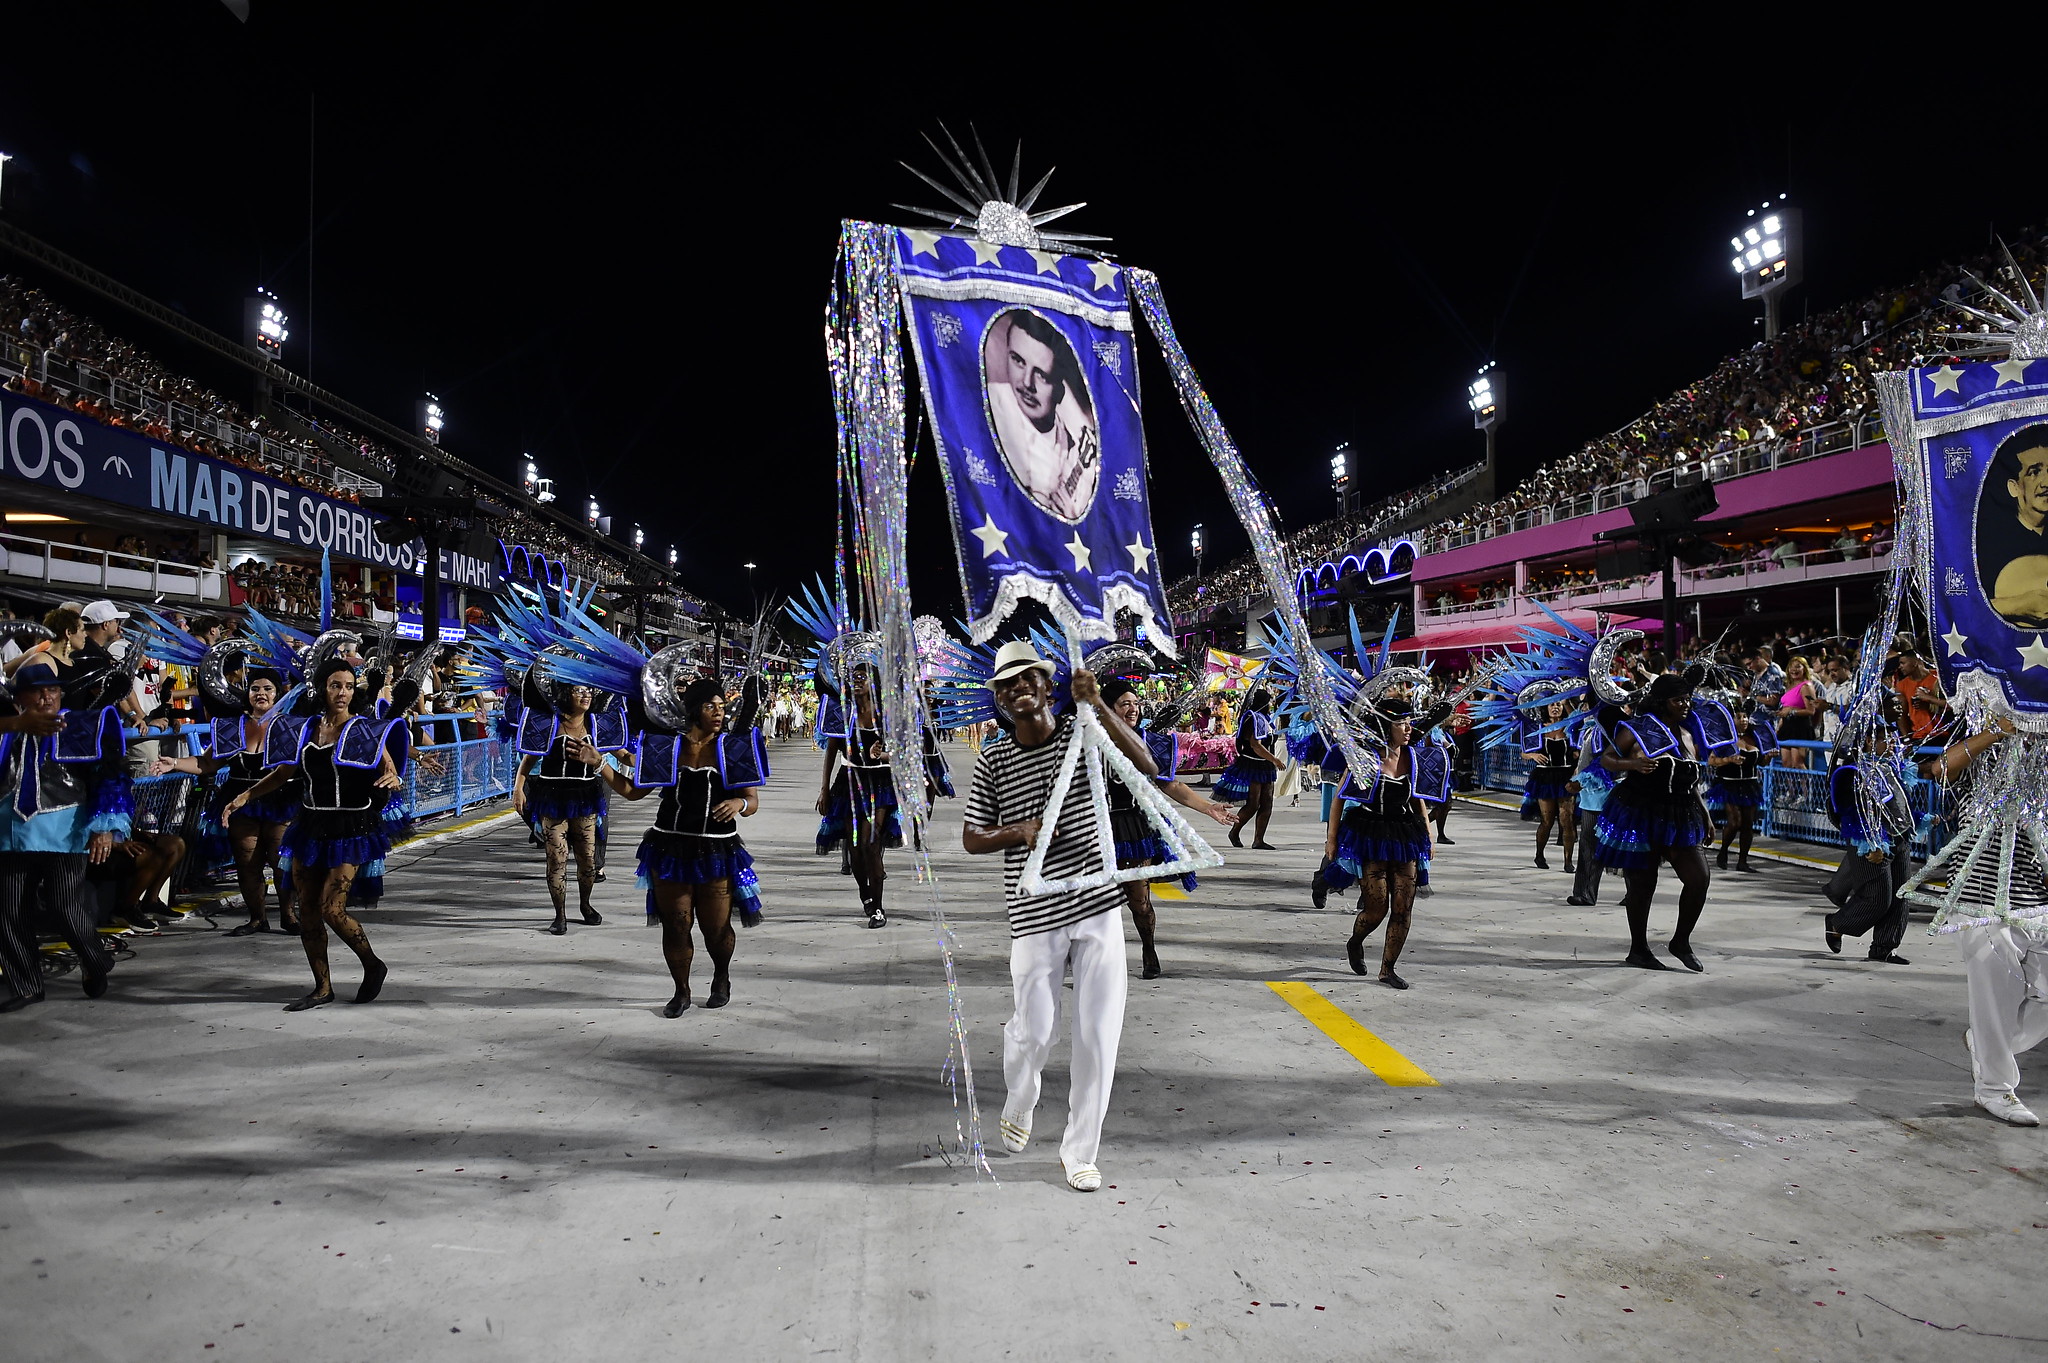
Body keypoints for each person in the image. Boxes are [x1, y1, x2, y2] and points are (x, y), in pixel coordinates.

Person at [963, 642, 1156, 1193]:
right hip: (1035, 910)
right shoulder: (994, 758)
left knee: (1098, 1036)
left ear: (1049, 687)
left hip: (1097, 904)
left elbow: (1145, 767)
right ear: (1000, 701)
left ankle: (1080, 1151)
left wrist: (1099, 705)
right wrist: (1017, 831)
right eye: (1007, 684)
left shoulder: (1084, 732)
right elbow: (973, 836)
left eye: (1029, 677)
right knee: (1034, 1033)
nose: (1019, 687)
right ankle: (1021, 1096)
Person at [225, 659, 405, 1011]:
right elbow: (283, 773)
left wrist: (394, 778)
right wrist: (247, 795)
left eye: (349, 686)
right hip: (310, 827)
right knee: (306, 911)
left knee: (332, 909)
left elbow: (390, 767)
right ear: (322, 687)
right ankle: (322, 988)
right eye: (336, 685)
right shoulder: (304, 729)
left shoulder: (363, 729)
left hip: (351, 828)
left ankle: (372, 964)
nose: (343, 693)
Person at [597, 677, 763, 1017]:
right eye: (710, 706)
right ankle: (681, 991)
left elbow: (752, 802)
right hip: (669, 847)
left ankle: (721, 976)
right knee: (676, 924)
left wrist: (738, 804)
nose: (718, 713)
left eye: (721, 706)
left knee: (715, 929)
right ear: (693, 710)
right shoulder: (666, 747)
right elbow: (633, 791)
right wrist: (598, 763)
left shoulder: (733, 747)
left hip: (717, 850)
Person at [1915, 718, 2047, 1124]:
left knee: (2024, 1006)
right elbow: (1940, 768)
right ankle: (1995, 1088)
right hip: (1978, 899)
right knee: (1995, 994)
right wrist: (1999, 730)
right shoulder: (1984, 757)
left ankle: (1988, 1042)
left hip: (2036, 901)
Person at [0, 658, 130, 1011]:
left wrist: (104, 826)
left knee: (64, 905)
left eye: (53, 690)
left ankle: (95, 958)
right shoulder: (7, 730)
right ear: (19, 698)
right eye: (37, 692)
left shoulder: (83, 725)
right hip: (10, 832)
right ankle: (26, 986)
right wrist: (14, 724)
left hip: (65, 829)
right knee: (9, 910)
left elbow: (112, 775)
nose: (47, 697)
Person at [1100, 678, 1234, 979]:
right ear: (1108, 709)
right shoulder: (1089, 741)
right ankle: (1096, 962)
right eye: (1125, 704)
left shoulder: (1149, 741)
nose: (1133, 709)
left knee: (1139, 902)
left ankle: (1148, 947)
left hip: (1133, 828)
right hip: (1095, 827)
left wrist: (1208, 807)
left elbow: (1171, 785)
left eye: (1136, 703)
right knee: (1095, 904)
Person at [150, 668, 300, 936]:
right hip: (239, 801)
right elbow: (207, 763)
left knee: (281, 862)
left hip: (280, 799)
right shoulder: (232, 726)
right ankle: (257, 918)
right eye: (255, 689)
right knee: (247, 861)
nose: (261, 694)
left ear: (278, 693)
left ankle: (289, 916)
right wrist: (174, 763)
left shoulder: (291, 726)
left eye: (268, 689)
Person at [1595, 669, 1717, 972]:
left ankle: (1681, 942)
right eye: (1678, 700)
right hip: (1640, 811)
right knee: (1642, 884)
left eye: (1687, 699)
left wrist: (1705, 814)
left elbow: (1690, 780)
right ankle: (1638, 949)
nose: (1685, 705)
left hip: (1681, 813)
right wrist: (1632, 763)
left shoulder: (1688, 734)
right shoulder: (1639, 728)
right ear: (1662, 701)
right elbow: (1607, 759)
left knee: (1699, 879)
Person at [1316, 696, 1440, 989]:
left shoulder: (1414, 757)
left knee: (1403, 908)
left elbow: (1418, 799)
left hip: (1405, 835)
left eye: (1409, 722)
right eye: (1400, 723)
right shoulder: (1366, 759)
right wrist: (1331, 840)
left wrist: (1429, 835)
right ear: (1386, 727)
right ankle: (1355, 942)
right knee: (1376, 909)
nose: (1408, 729)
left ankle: (1387, 969)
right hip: (1371, 835)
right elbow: (1339, 800)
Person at [510, 684, 619, 936]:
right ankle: (559, 914)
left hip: (585, 797)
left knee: (587, 859)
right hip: (552, 797)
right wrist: (518, 789)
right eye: (579, 690)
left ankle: (585, 904)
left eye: (589, 691)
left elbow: (623, 754)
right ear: (565, 694)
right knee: (556, 858)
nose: (586, 695)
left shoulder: (597, 724)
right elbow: (528, 759)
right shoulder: (548, 723)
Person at [985, 309, 1101, 522]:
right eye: (1018, 361)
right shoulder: (991, 408)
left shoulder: (1074, 430)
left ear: (1060, 387)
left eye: (1042, 375)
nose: (1026, 383)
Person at [1821, 707, 1915, 966]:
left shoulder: (1888, 767)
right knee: (1878, 898)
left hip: (1898, 838)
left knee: (1900, 897)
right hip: (1870, 842)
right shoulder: (1852, 772)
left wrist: (1919, 819)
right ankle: (1837, 923)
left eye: (1893, 737)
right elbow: (1851, 815)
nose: (1893, 742)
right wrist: (1872, 843)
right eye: (1886, 738)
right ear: (1868, 740)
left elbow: (1898, 805)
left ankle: (1884, 947)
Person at [815, 662, 901, 929]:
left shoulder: (886, 715)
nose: (857, 681)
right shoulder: (842, 713)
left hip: (879, 784)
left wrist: (882, 755)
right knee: (854, 849)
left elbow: (904, 753)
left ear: (874, 683)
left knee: (870, 845)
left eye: (862, 677)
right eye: (854, 677)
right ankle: (866, 895)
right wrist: (824, 789)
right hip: (849, 782)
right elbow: (831, 751)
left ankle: (878, 909)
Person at [1977, 428, 2048, 625]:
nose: (2046, 483)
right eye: (2034, 472)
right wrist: (2016, 606)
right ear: (2014, 487)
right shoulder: (1989, 542)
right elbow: (1964, 606)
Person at [1707, 710, 1772, 873]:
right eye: (1739, 717)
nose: (1743, 720)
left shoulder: (1755, 738)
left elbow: (1762, 763)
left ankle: (1742, 861)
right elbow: (1711, 761)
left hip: (1750, 785)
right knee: (1735, 822)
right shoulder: (1725, 739)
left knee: (1748, 824)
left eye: (1745, 716)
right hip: (1730, 785)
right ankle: (1723, 851)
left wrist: (1770, 756)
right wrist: (1729, 759)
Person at [1215, 688, 1279, 849]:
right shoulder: (1252, 718)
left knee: (1267, 802)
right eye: (1269, 702)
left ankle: (1259, 840)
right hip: (1252, 763)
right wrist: (1274, 759)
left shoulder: (1266, 718)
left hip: (1266, 765)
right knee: (1253, 804)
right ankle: (1234, 832)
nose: (1270, 705)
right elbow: (1255, 745)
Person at [1522, 698, 1576, 871]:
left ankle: (1568, 862)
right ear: (1546, 707)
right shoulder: (1537, 728)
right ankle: (1539, 855)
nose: (1555, 708)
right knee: (1547, 821)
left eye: (1558, 704)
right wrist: (1533, 756)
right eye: (1552, 704)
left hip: (1566, 776)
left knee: (1567, 820)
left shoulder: (1570, 726)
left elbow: (1579, 747)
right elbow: (1524, 753)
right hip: (1544, 778)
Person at [1565, 718, 1612, 907]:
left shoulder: (1613, 728)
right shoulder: (1590, 728)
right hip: (1592, 798)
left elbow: (1603, 762)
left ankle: (1634, 892)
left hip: (1612, 796)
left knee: (1623, 846)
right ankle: (1584, 893)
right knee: (1588, 846)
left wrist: (1581, 781)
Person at [1890, 648, 1947, 745]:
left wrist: (1928, 699)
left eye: (1903, 663)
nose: (1900, 667)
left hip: (1944, 733)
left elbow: (1953, 704)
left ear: (1915, 662)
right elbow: (1902, 714)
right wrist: (1906, 738)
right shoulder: (1901, 685)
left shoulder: (1939, 677)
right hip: (1919, 736)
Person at [1774, 657, 1818, 770]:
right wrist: (1779, 727)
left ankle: (1806, 783)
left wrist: (1792, 711)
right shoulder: (1789, 687)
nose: (1794, 670)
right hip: (1787, 727)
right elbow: (1785, 709)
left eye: (1798, 666)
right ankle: (1790, 783)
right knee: (1786, 763)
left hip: (1800, 727)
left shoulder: (1806, 686)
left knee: (1797, 763)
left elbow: (1811, 711)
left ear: (1804, 669)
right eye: (1791, 667)